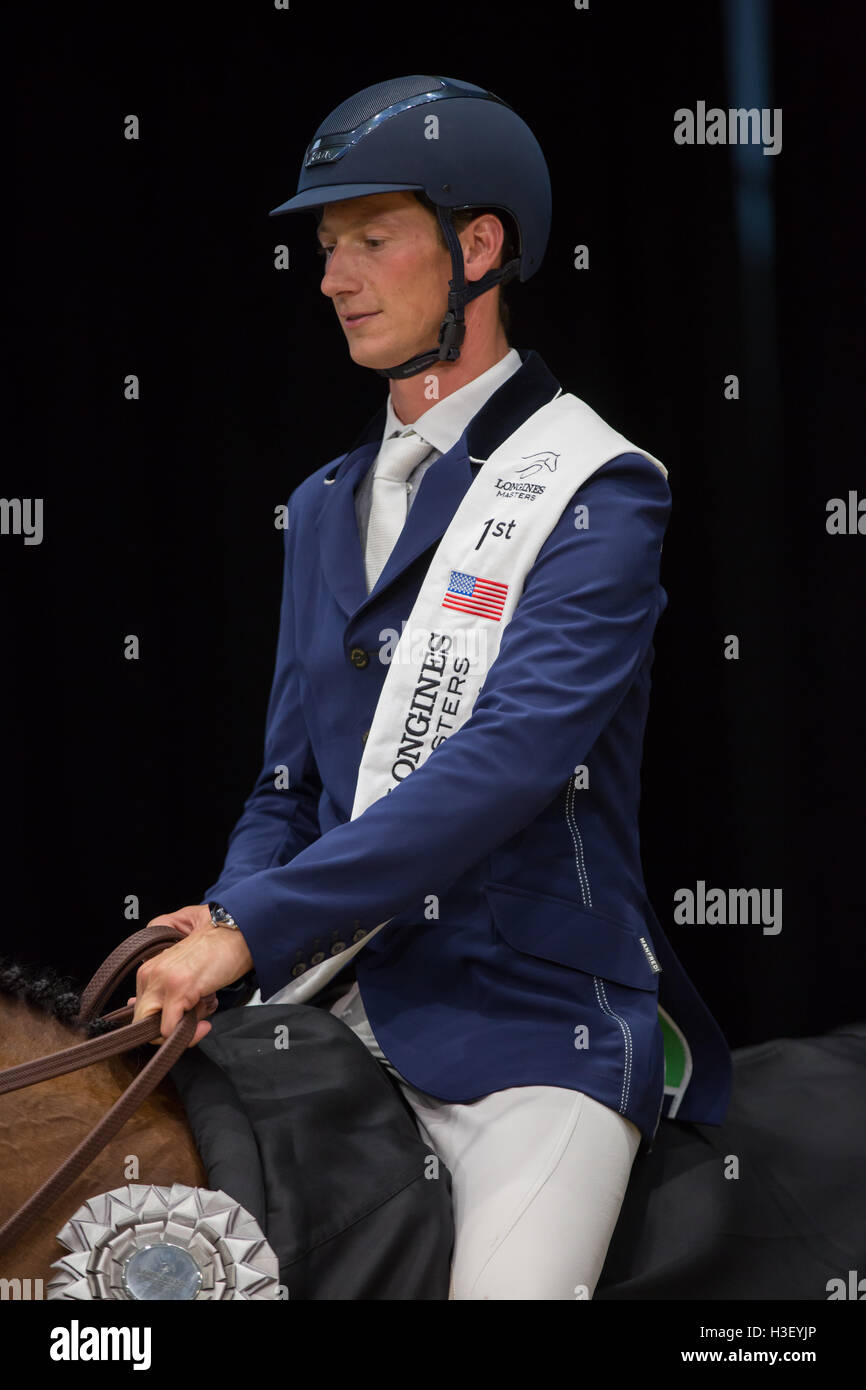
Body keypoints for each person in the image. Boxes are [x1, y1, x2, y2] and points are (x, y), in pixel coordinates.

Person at [132, 75, 732, 1299]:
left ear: (477, 247)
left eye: (368, 239)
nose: (331, 276)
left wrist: (260, 926)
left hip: (529, 1028)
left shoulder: (597, 488)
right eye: (323, 247)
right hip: (325, 1020)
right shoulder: (318, 506)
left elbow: (509, 759)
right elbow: (290, 780)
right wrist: (230, 912)